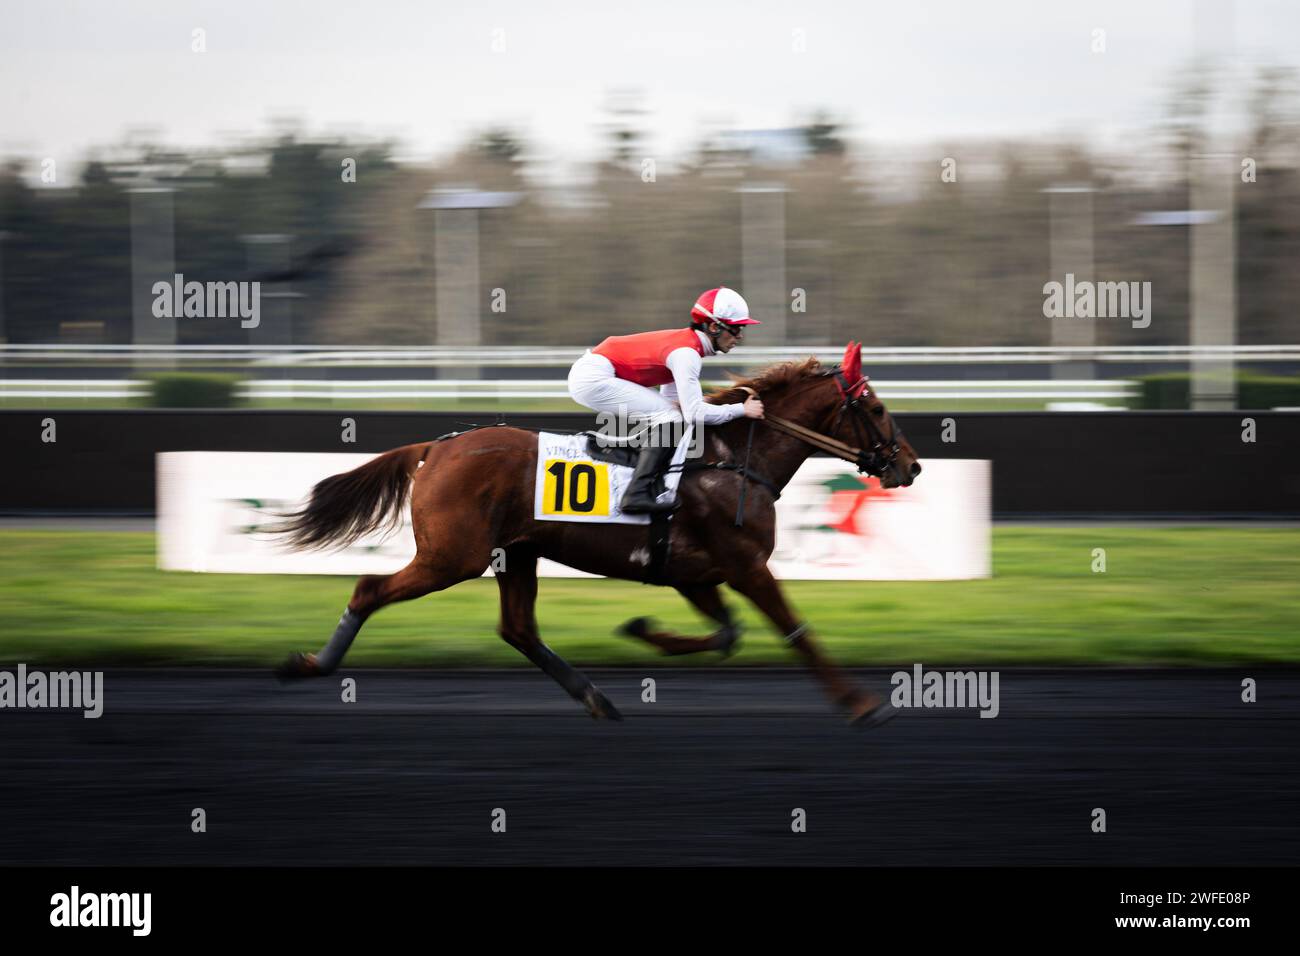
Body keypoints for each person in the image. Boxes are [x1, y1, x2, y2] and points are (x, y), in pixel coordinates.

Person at [567, 287, 766, 514]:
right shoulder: (687, 354)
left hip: (595, 373)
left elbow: (674, 402)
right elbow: (695, 414)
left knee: (671, 415)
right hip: (593, 377)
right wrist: (742, 409)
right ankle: (636, 494)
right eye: (736, 328)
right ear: (713, 327)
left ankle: (637, 468)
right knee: (671, 417)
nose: (740, 336)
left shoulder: (689, 348)